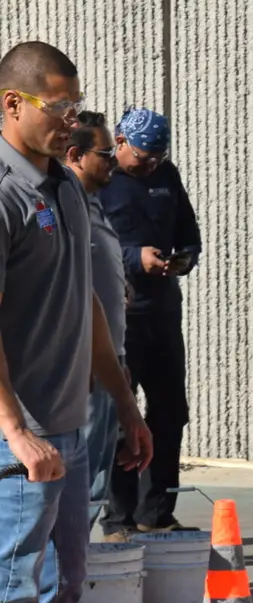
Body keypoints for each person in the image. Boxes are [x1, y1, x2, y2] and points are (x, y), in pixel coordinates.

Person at [0, 41, 156, 603]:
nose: (72, 121)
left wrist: (122, 404)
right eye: (58, 107)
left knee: (60, 589)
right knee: (8, 595)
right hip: (16, 442)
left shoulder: (64, 186)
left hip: (65, 426)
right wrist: (15, 431)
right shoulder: (2, 194)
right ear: (13, 105)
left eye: (75, 106)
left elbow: (88, 304)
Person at [99, 105, 198, 533]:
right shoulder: (100, 179)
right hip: (119, 318)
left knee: (170, 412)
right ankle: (118, 517)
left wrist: (185, 257)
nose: (150, 164)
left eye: (157, 158)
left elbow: (188, 230)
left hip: (161, 312)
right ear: (120, 143)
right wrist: (134, 259)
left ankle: (157, 513)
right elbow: (88, 245)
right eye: (143, 157)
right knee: (121, 416)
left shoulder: (166, 176)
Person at [64, 112, 128, 530]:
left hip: (108, 359)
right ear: (77, 155)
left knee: (98, 476)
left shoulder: (92, 205)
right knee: (81, 478)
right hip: (83, 364)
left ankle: (79, 569)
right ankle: (67, 575)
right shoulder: (64, 210)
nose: (114, 162)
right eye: (105, 154)